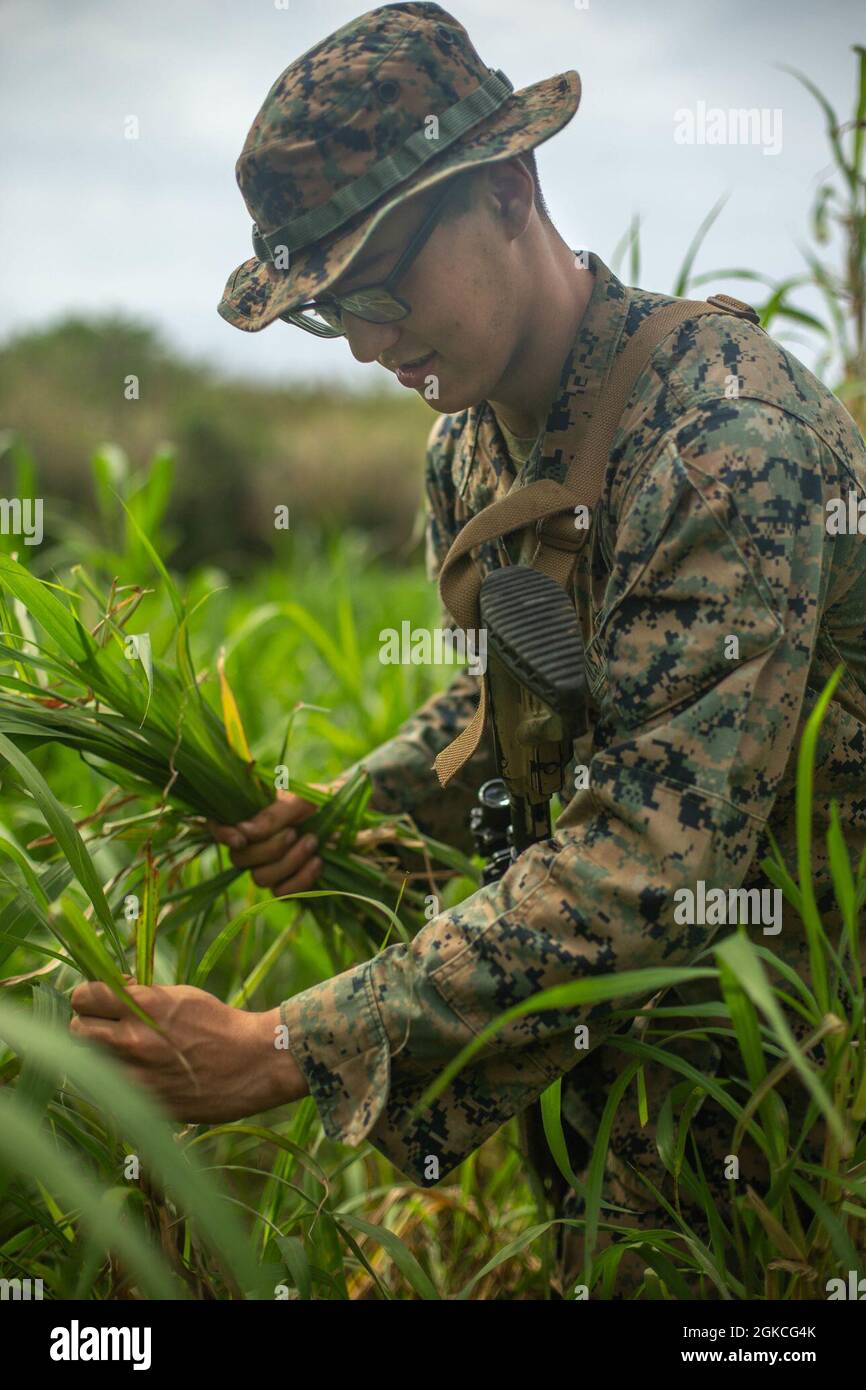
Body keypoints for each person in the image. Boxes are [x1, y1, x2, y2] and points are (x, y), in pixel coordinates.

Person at [70, 2, 866, 1294]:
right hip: (646, 1065)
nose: (373, 341)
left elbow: (641, 864)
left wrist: (282, 1046)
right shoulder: (472, 447)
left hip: (815, 1059)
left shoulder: (723, 439)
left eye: (383, 281)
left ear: (507, 187)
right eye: (334, 314)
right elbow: (525, 682)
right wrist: (354, 801)